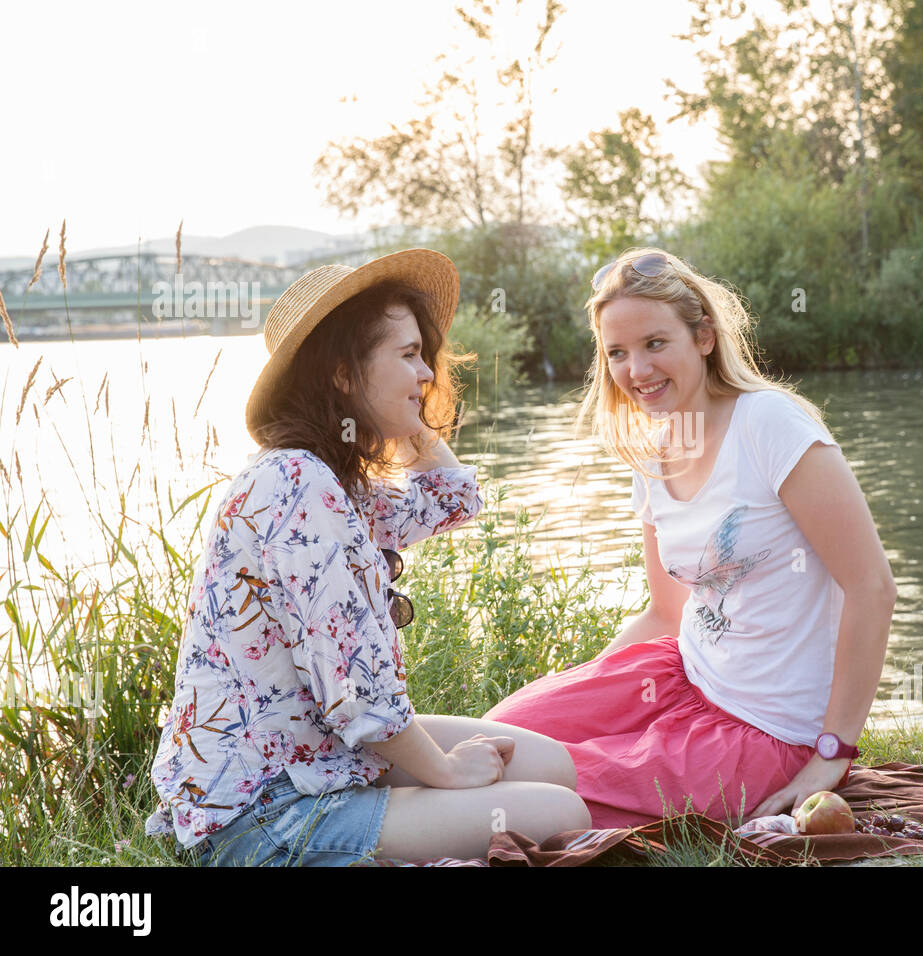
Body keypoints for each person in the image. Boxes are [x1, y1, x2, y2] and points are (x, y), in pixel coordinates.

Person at [145, 249, 590, 866]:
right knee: (561, 812)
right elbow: (357, 689)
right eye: (407, 355)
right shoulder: (294, 484)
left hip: (319, 757)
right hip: (263, 811)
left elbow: (450, 499)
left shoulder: (334, 481)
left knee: (555, 765)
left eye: (423, 354)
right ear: (342, 373)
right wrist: (446, 773)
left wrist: (409, 413)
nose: (429, 373)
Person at [483, 248, 896, 828]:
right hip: (681, 676)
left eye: (655, 343)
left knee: (539, 791)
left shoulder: (770, 425)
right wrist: (584, 685)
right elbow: (664, 613)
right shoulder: (652, 451)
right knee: (495, 737)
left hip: (766, 732)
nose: (637, 371)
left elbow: (872, 588)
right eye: (618, 353)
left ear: (703, 336)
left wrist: (832, 755)